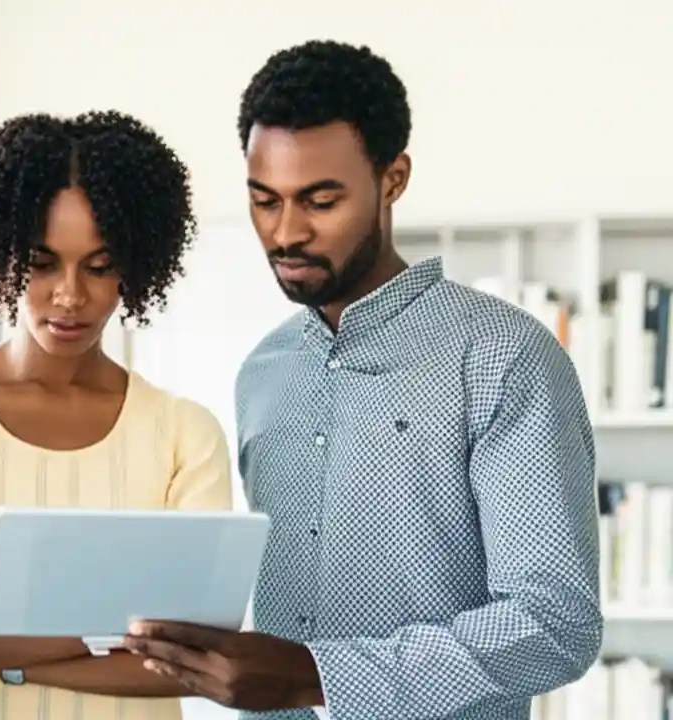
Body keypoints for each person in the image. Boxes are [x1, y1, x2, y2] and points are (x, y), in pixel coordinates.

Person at [123, 40, 602, 719]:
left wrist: (317, 677)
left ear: (393, 179)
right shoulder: (263, 373)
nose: (285, 233)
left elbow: (556, 622)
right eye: (264, 201)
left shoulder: (505, 357)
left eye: (320, 201)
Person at [0, 110, 235, 719]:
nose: (70, 294)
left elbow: (194, 660)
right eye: (41, 263)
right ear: (0, 253)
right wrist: (117, 630)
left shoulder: (184, 434)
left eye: (99, 266)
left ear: (133, 265)